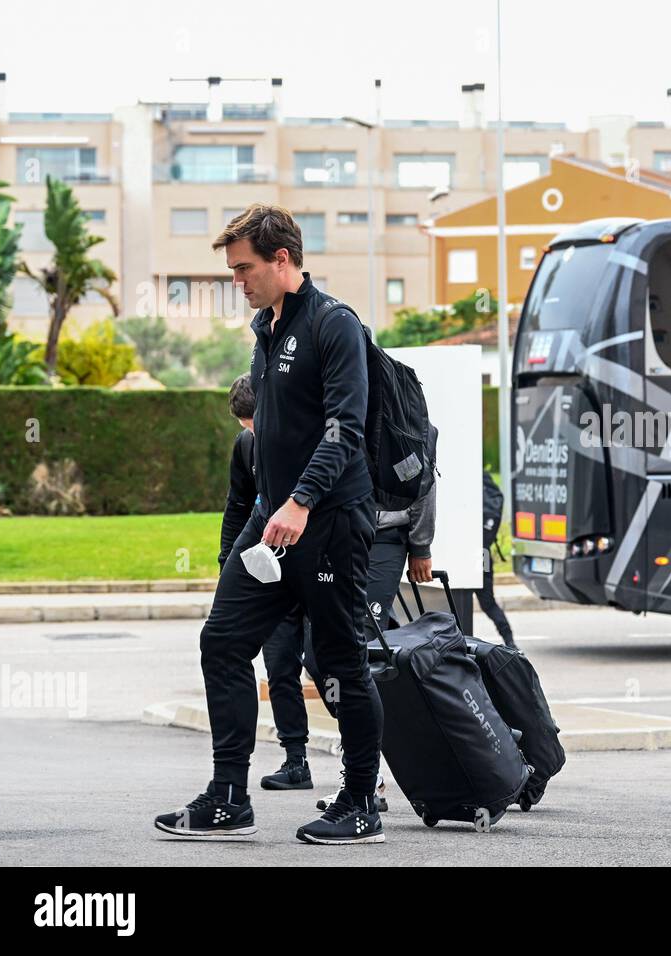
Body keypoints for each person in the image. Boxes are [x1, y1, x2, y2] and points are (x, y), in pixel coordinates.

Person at [154, 203, 385, 844]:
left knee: (338, 662)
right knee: (222, 642)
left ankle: (362, 804)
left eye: (245, 268)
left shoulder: (333, 325)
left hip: (331, 519)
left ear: (283, 260)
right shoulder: (267, 329)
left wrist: (302, 500)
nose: (239, 281)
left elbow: (345, 428)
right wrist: (265, 513)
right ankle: (229, 797)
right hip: (273, 523)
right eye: (233, 271)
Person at [217, 373, 313, 791]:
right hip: (268, 571)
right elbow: (237, 506)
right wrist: (227, 565)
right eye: (246, 427)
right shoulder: (246, 446)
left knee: (330, 665)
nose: (254, 433)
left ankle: (363, 776)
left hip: (316, 567)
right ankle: (296, 761)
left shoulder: (305, 439)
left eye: (256, 423)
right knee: (279, 668)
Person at [473, 470, 515, 648]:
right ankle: (510, 641)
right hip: (484, 552)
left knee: (454, 601)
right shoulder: (483, 477)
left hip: (466, 551)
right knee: (488, 602)